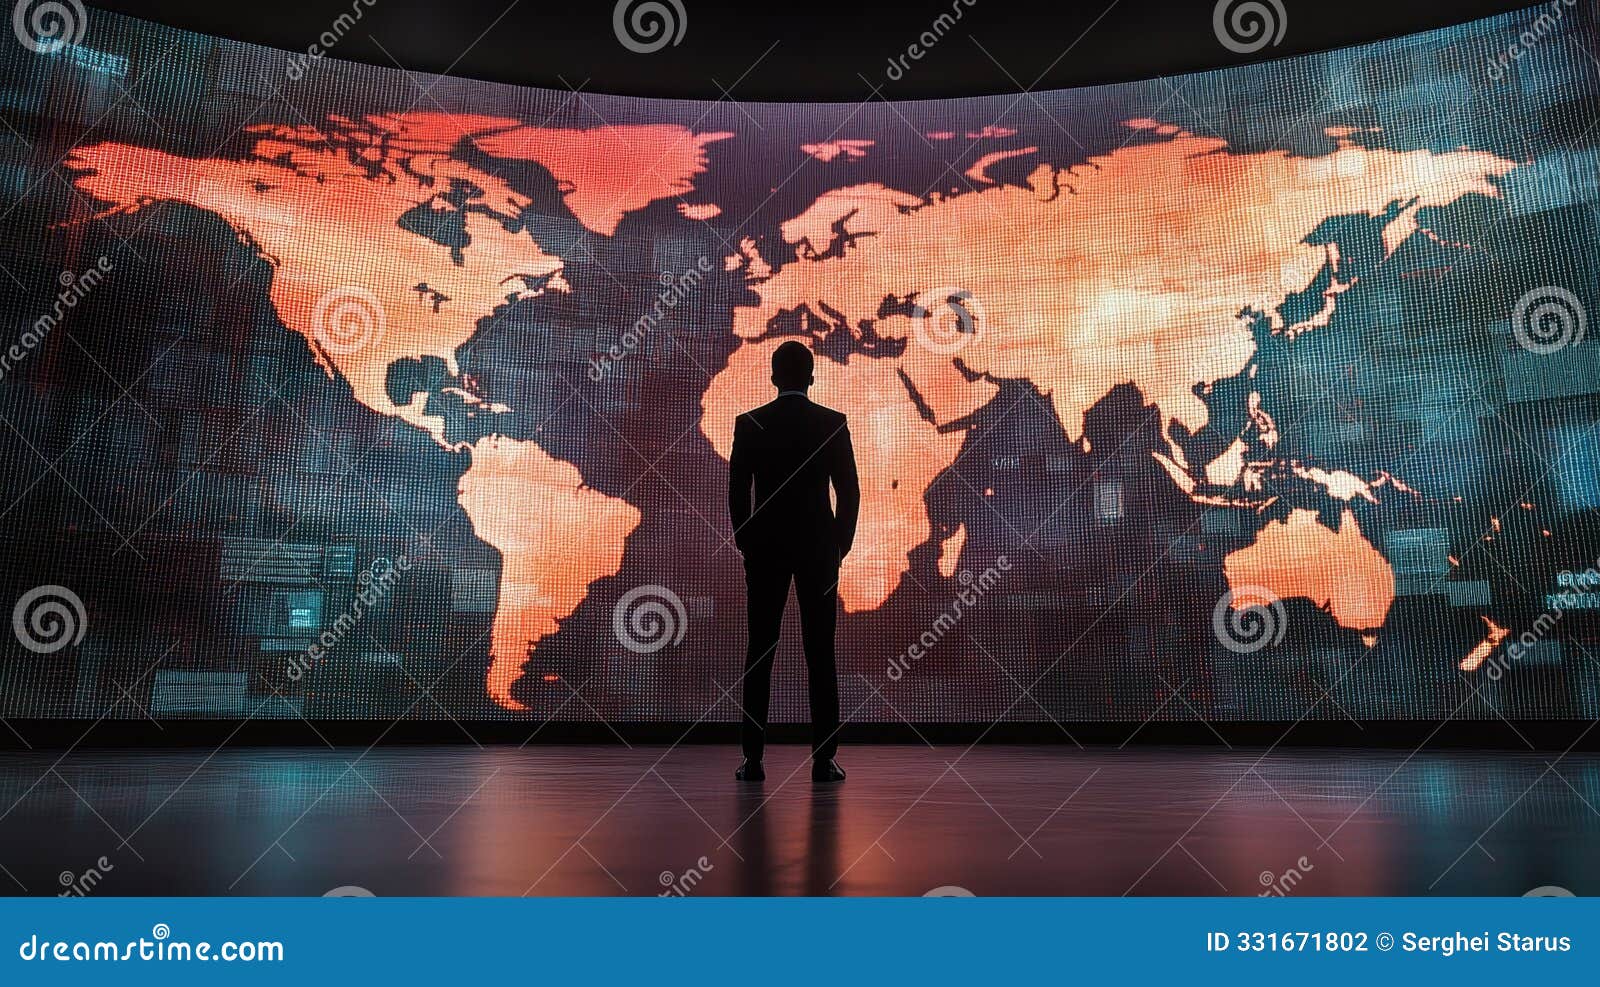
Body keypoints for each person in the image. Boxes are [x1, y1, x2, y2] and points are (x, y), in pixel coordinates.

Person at [727, 340, 859, 783]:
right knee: (820, 652)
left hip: (765, 551)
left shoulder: (750, 424)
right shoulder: (832, 423)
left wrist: (747, 542)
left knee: (760, 650)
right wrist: (839, 546)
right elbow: (849, 491)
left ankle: (753, 760)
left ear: (773, 377)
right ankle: (824, 759)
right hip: (818, 551)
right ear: (811, 378)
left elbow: (737, 490)